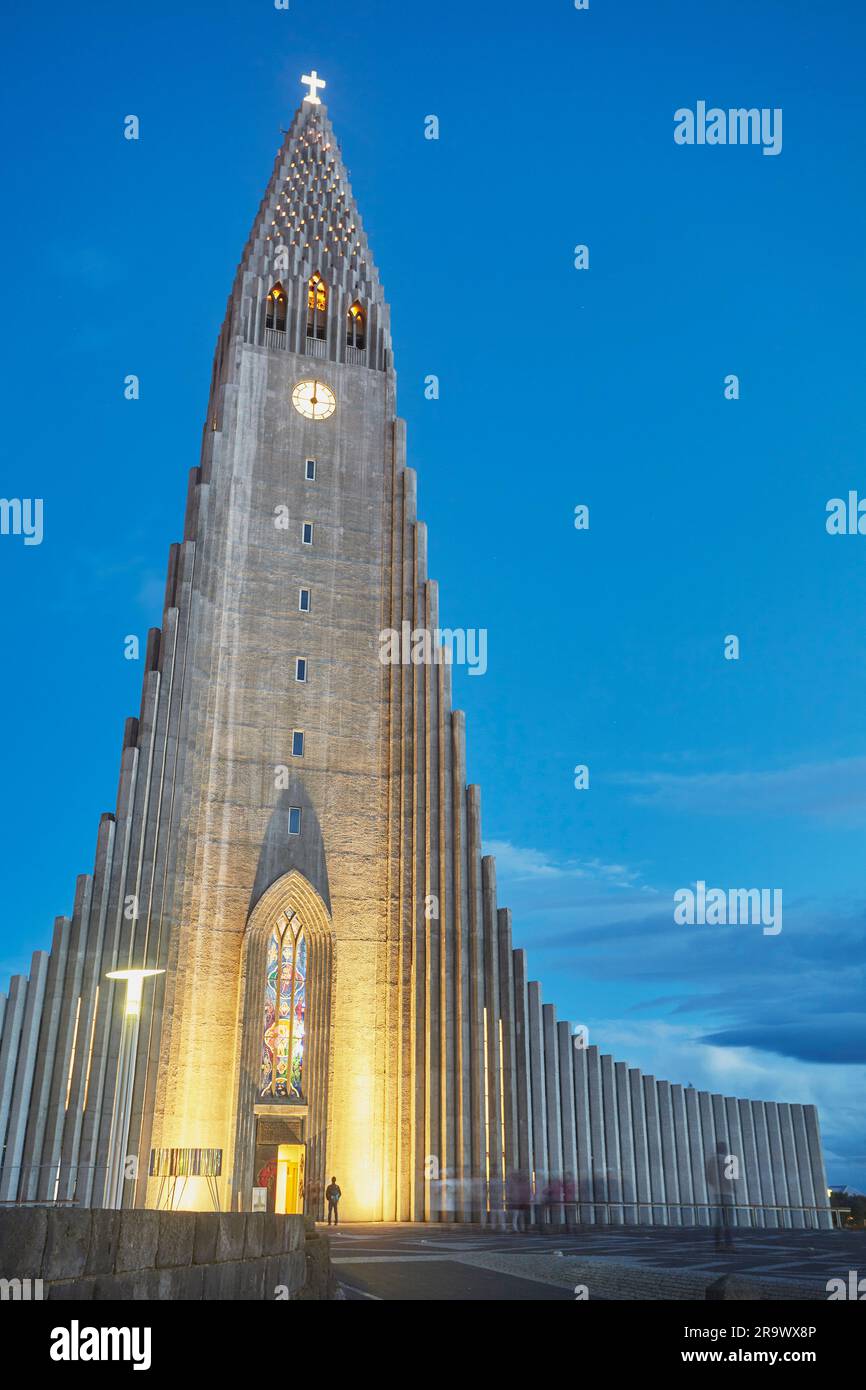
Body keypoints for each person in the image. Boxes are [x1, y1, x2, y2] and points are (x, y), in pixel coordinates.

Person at [705, 1140, 736, 1251]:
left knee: (718, 1220)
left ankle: (717, 1244)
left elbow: (708, 1178)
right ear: (725, 1149)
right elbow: (732, 1178)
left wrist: (716, 1185)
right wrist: (733, 1188)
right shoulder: (730, 1160)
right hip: (727, 1193)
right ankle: (729, 1244)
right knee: (728, 1220)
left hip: (717, 1193)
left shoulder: (711, 1161)